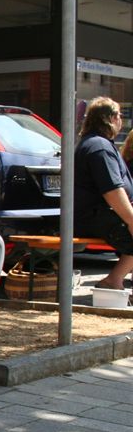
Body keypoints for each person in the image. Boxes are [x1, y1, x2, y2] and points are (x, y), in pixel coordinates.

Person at [74, 97, 133, 296]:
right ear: (111, 118)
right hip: (96, 216)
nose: (121, 121)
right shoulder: (99, 146)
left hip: (102, 214)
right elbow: (112, 190)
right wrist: (131, 219)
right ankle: (113, 280)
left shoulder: (100, 144)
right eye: (120, 116)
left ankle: (114, 280)